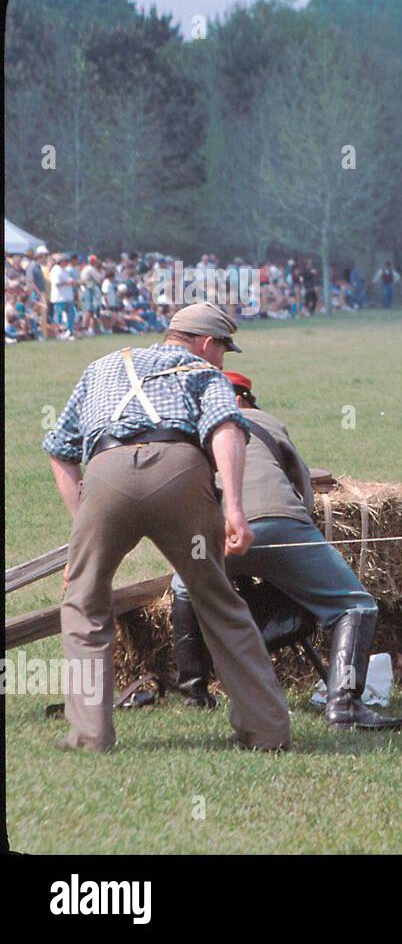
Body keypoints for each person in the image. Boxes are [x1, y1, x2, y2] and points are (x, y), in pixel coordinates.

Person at [41, 302, 292, 753]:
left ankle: (90, 734)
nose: (221, 360)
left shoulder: (101, 366)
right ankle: (267, 732)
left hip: (105, 476)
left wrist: (83, 531)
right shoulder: (202, 369)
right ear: (207, 343)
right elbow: (226, 430)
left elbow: (60, 451)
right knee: (217, 601)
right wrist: (235, 509)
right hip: (180, 474)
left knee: (83, 602)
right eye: (223, 351)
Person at [170, 371, 402, 730]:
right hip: (277, 522)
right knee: (354, 605)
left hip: (213, 533)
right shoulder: (265, 421)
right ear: (241, 399)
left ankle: (195, 693)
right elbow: (304, 492)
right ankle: (344, 706)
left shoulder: (187, 431)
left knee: (183, 587)